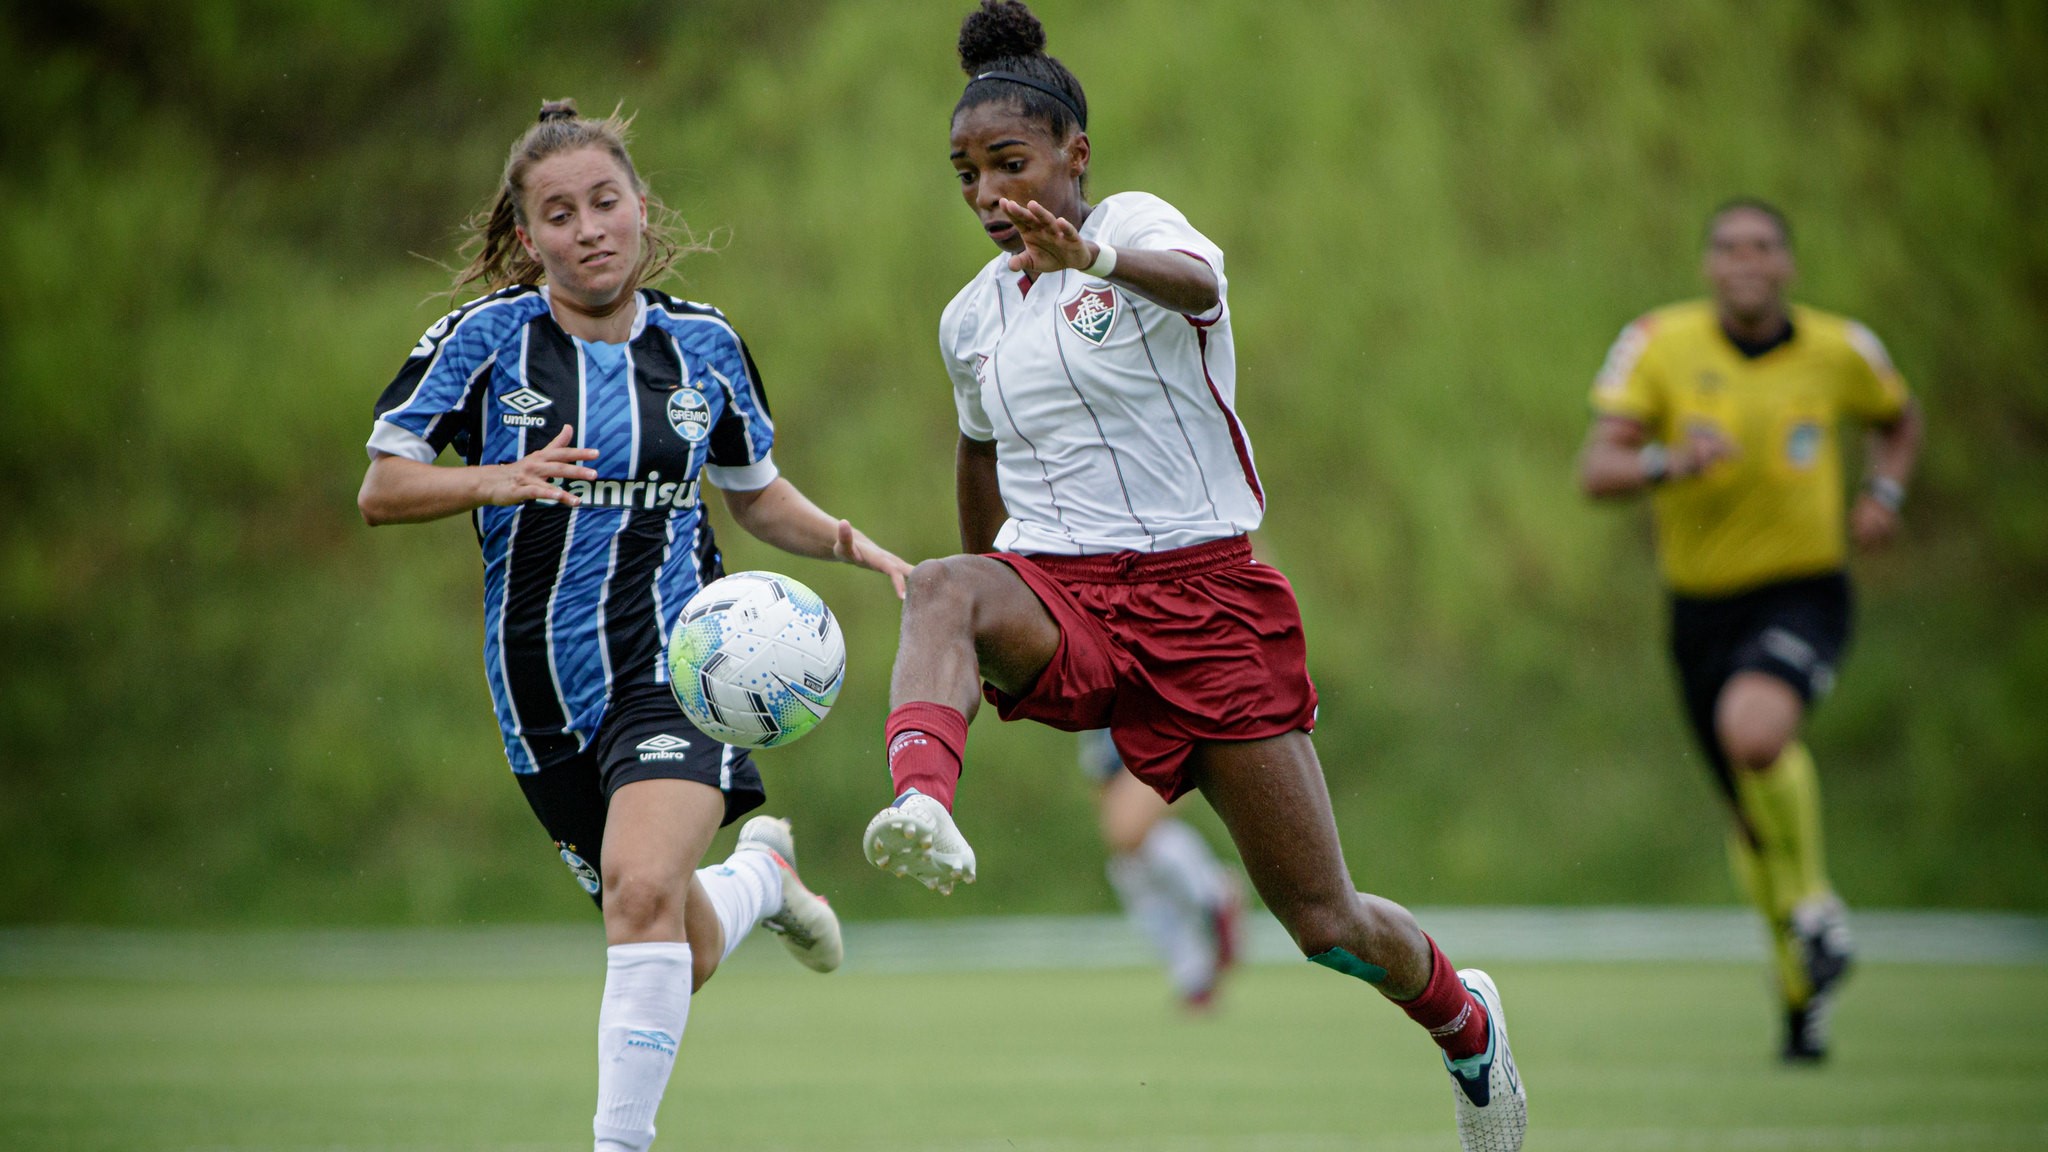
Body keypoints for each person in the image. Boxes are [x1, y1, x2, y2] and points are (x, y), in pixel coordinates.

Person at [861, 5, 1526, 1148]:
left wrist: (1096, 259)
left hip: (1203, 599)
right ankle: (922, 802)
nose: (984, 193)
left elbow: (1197, 286)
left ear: (1075, 153)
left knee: (1323, 921)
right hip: (1064, 589)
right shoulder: (968, 318)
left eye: (1007, 164)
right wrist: (980, 586)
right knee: (938, 587)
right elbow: (977, 452)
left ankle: (1466, 1024)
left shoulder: (1132, 228)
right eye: (964, 173)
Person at [356, 100, 912, 1152]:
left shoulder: (701, 345)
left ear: (640, 208)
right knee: (675, 941)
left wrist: (852, 543)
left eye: (604, 201)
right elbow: (382, 488)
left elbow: (754, 494)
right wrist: (498, 478)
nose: (588, 228)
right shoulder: (483, 342)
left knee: (644, 887)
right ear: (530, 238)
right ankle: (761, 880)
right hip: (539, 692)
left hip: (678, 668)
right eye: (559, 214)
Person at [1578, 199, 1923, 1062]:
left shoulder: (1842, 350)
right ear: (1707, 266)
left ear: (1788, 266)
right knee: (1748, 818)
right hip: (1699, 608)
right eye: (1728, 248)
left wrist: (1883, 495)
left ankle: (1815, 910)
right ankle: (1801, 993)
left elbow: (1898, 420)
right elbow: (1598, 468)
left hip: (1804, 588)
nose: (1745, 261)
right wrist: (1670, 460)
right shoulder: (1661, 344)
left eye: (1763, 247)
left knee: (1755, 733)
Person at [1079, 729, 1243, 1009]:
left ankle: (1214, 892)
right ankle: (1195, 981)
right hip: (1133, 851)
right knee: (1153, 910)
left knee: (1145, 847)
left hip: (1148, 766)